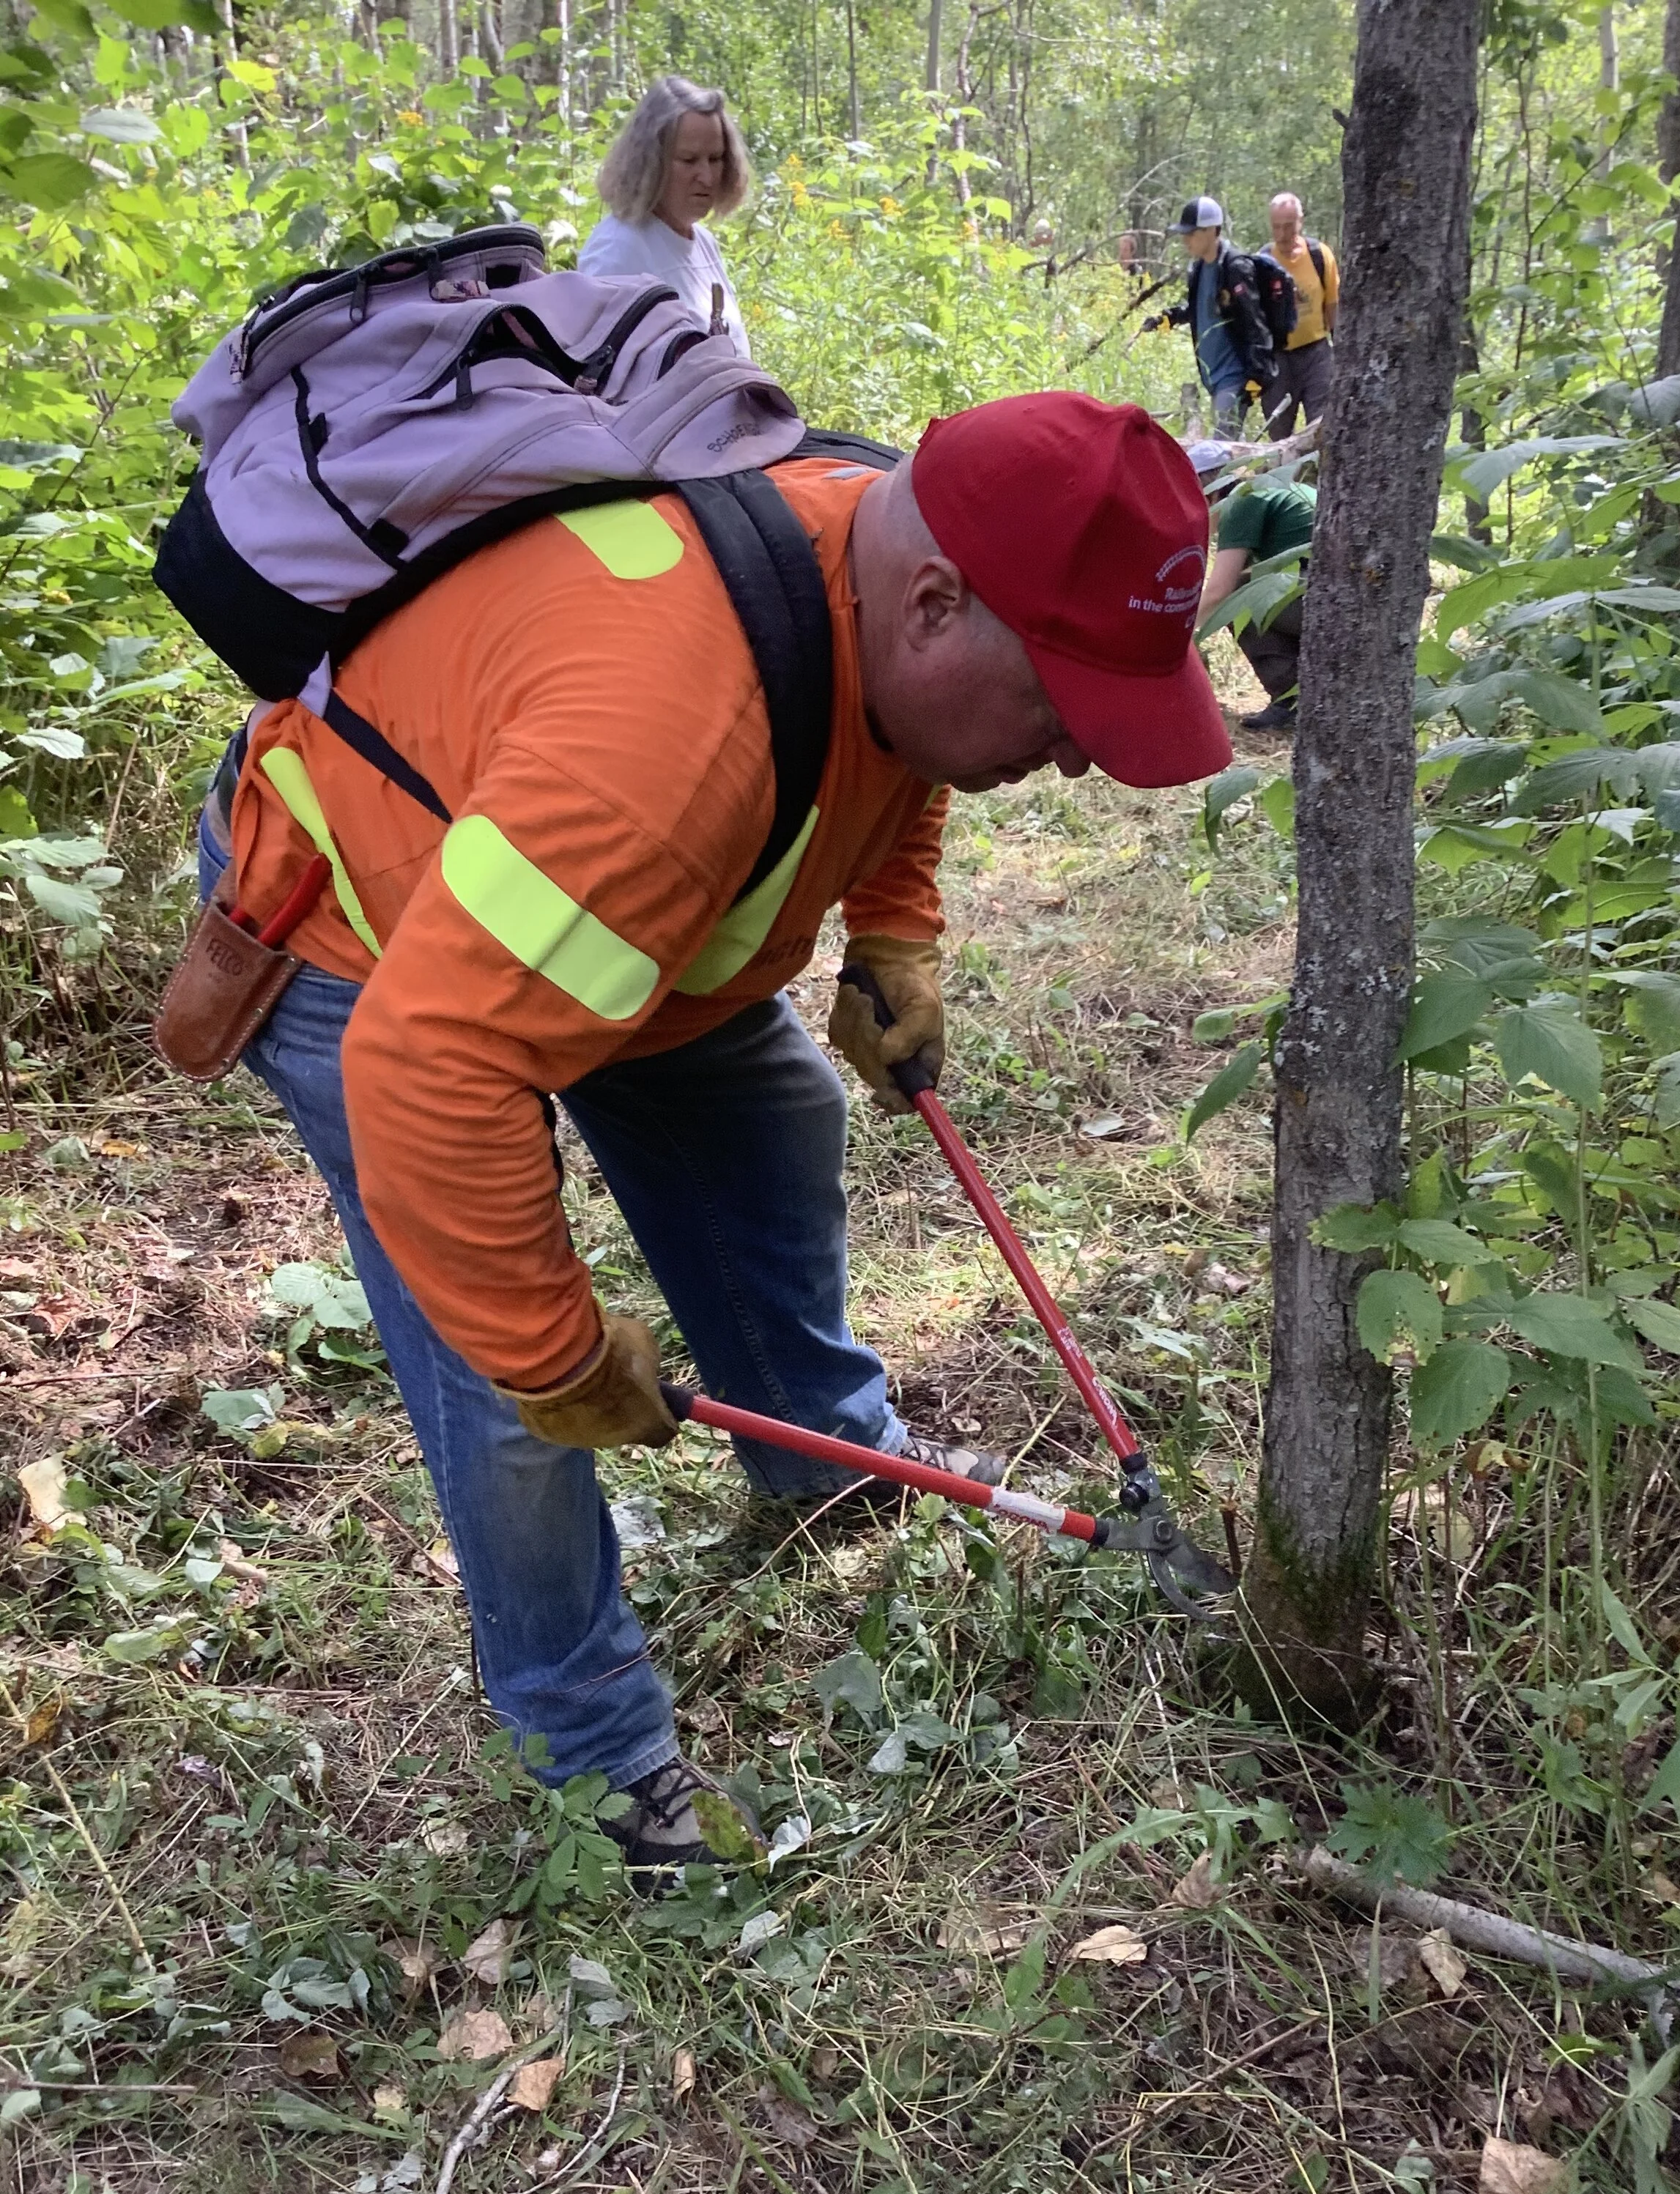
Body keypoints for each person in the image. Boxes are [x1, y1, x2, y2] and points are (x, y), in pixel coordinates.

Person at [193, 394, 1232, 1878]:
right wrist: (555, 1357)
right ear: (937, 603)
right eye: (1064, 707)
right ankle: (594, 1751)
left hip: (622, 927)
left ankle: (824, 1455)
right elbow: (429, 1072)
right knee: (502, 1387)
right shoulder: (665, 746)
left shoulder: (891, 542)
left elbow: (902, 746)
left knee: (775, 1111)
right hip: (376, 925)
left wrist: (894, 925)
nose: (1076, 757)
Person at [578, 76, 752, 358]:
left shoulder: (703, 242)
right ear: (650, 162)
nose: (707, 177)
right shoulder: (618, 250)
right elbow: (596, 376)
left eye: (716, 158)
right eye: (689, 160)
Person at [1191, 445, 1316, 733]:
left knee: (1240, 598)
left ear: (1206, 491)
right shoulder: (1266, 491)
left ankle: (1292, 701)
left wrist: (1181, 637)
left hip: (1319, 596)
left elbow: (1220, 591)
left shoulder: (1240, 503)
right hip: (1334, 593)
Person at [1145, 196, 1273, 437]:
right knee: (1232, 448)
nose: (1186, 240)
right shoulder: (1198, 270)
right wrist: (1169, 318)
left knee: (1222, 446)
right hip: (1214, 377)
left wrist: (1258, 374)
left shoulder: (1235, 268)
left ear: (1212, 231)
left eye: (1192, 233)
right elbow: (1198, 308)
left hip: (1234, 376)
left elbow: (1255, 322)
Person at [1259, 191, 1339, 437]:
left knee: (1323, 426)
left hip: (1316, 354)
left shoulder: (1320, 255)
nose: (1282, 235)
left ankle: (1318, 474)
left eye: (1289, 227)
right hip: (1278, 359)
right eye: (1277, 227)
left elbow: (1333, 304)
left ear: (1300, 222)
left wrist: (1341, 349)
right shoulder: (1261, 262)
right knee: (1279, 431)